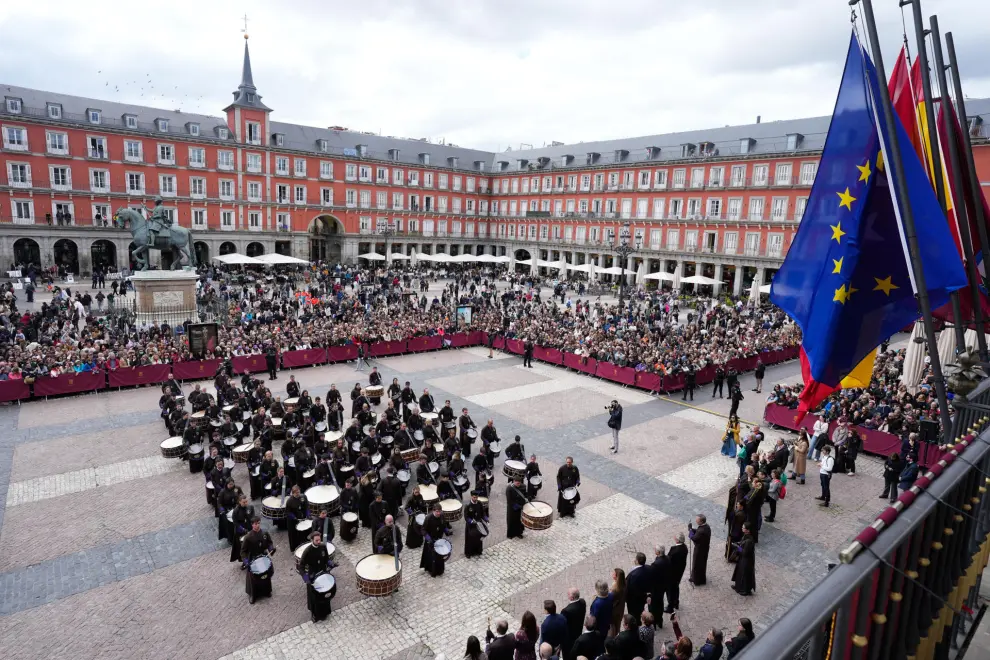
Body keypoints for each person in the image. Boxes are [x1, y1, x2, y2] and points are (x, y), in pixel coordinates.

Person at [298, 529, 334, 622]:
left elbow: (326, 559)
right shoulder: (307, 551)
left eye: (319, 539)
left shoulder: (322, 546)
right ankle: (315, 615)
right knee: (314, 596)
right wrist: (305, 578)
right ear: (312, 540)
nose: (319, 542)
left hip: (323, 573)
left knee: (324, 592)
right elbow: (301, 566)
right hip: (312, 575)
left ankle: (326, 612)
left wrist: (331, 563)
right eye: (316, 540)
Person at [240, 517, 276, 604]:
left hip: (263, 556)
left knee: (265, 575)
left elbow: (269, 543)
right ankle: (253, 595)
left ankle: (267, 591)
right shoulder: (248, 537)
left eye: (258, 523)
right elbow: (243, 551)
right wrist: (246, 561)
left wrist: (271, 548)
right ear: (252, 525)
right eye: (255, 524)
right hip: (253, 558)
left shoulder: (265, 533)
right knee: (253, 579)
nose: (257, 525)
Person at [421, 503, 452, 577]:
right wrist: (428, 539)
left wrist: (447, 531)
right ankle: (432, 571)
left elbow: (444, 526)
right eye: (437, 511)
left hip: (439, 540)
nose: (438, 513)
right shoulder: (428, 518)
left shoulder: (442, 516)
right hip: (431, 540)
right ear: (433, 511)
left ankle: (440, 570)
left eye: (439, 511)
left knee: (439, 556)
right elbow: (423, 530)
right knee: (432, 557)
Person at [625, 552, 653, 621]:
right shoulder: (649, 568)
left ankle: (636, 624)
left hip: (634, 599)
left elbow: (629, 587)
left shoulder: (633, 575)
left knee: (633, 614)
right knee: (640, 609)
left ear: (637, 561)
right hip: (643, 597)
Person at [731, 523, 756, 596]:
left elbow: (744, 552)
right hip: (743, 559)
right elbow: (742, 542)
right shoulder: (746, 536)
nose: (742, 528)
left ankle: (744, 590)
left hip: (746, 560)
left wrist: (737, 547)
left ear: (747, 530)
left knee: (744, 574)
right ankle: (737, 586)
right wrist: (738, 543)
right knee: (739, 572)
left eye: (743, 527)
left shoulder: (749, 541)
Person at [649, 545, 670, 627]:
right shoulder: (667, 558)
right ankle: (659, 620)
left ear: (658, 552)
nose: (654, 550)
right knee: (660, 602)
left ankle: (654, 620)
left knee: (653, 605)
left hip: (656, 588)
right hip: (663, 586)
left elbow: (651, 577)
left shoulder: (655, 564)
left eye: (655, 549)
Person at [665, 534, 687, 612]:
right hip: (679, 572)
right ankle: (676, 602)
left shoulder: (675, 550)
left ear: (677, 540)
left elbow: (668, 560)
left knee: (670, 590)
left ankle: (670, 607)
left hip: (672, 574)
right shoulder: (684, 547)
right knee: (676, 587)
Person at [561, 588, 587, 653]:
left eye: (568, 594)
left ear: (572, 598)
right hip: (578, 631)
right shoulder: (582, 602)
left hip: (569, 638)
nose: (567, 595)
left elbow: (563, 625)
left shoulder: (566, 611)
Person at [688, 514, 711, 586]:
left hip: (699, 550)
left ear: (701, 521)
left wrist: (690, 531)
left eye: (697, 520)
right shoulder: (706, 526)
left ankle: (696, 580)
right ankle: (699, 578)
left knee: (696, 564)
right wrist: (692, 529)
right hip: (704, 549)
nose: (696, 521)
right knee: (702, 564)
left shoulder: (702, 531)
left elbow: (694, 538)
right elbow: (698, 531)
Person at [464, 492, 488, 557]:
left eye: (476, 497)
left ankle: (478, 551)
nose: (475, 499)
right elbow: (466, 517)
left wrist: (486, 519)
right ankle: (469, 553)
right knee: (470, 539)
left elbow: (483, 513)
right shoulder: (468, 505)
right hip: (471, 525)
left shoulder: (479, 503)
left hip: (479, 523)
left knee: (479, 538)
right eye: (474, 497)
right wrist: (471, 521)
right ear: (471, 496)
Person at [609, 568, 627, 637]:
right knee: (618, 624)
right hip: (621, 609)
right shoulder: (624, 584)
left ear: (617, 577)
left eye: (613, 573)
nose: (612, 574)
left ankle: (614, 638)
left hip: (615, 611)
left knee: (613, 626)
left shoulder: (615, 590)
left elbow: (611, 601)